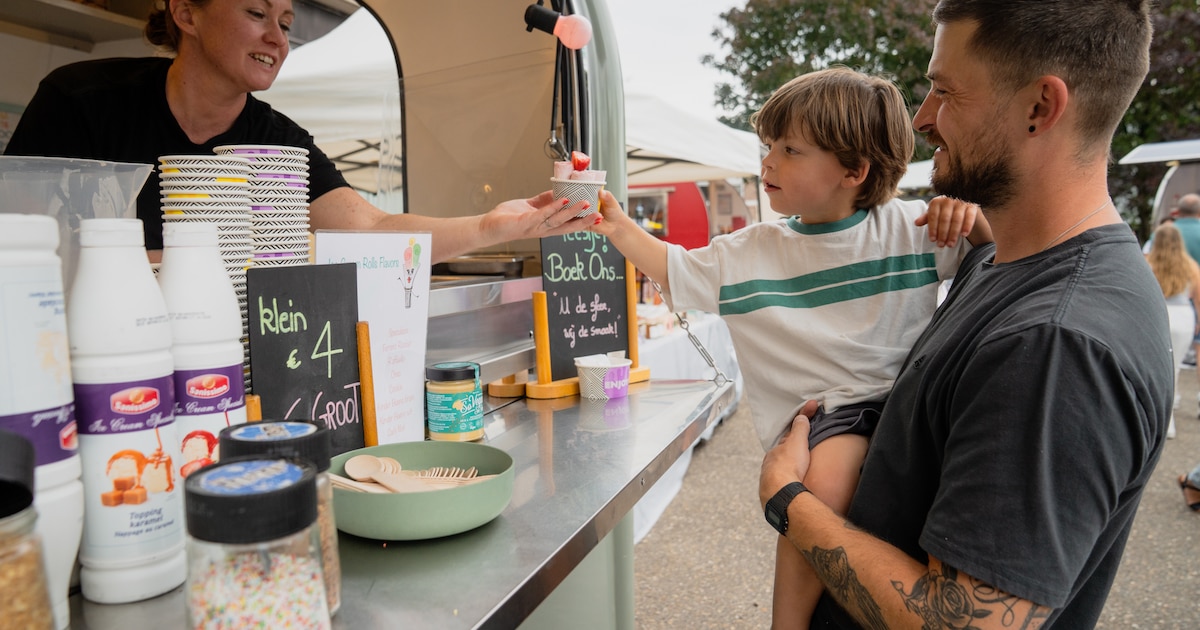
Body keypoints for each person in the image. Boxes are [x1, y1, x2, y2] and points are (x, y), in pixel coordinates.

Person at [759, 1, 1172, 628]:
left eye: (946, 92)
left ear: (1040, 107)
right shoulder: (1004, 264)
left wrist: (788, 500)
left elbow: (962, 621)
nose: (922, 118)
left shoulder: (1054, 344)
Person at [592, 66, 991, 628]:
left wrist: (972, 218)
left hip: (907, 406)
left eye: (790, 150)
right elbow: (673, 268)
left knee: (822, 489)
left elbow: (999, 262)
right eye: (768, 146)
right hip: (830, 415)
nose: (768, 162)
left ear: (854, 170)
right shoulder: (748, 252)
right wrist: (616, 225)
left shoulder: (915, 228)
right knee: (820, 484)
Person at [3, 0, 592, 261]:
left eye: (285, 23)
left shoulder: (280, 142)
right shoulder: (82, 100)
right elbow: (21, 243)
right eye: (256, 14)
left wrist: (489, 227)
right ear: (186, 13)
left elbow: (372, 228)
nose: (278, 39)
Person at [1145, 222, 1200, 439]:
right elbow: (1198, 297)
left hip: (1158, 314)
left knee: (1155, 366)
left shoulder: (1147, 264)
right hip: (1183, 316)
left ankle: (1160, 416)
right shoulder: (1190, 266)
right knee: (1174, 366)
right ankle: (1169, 417)